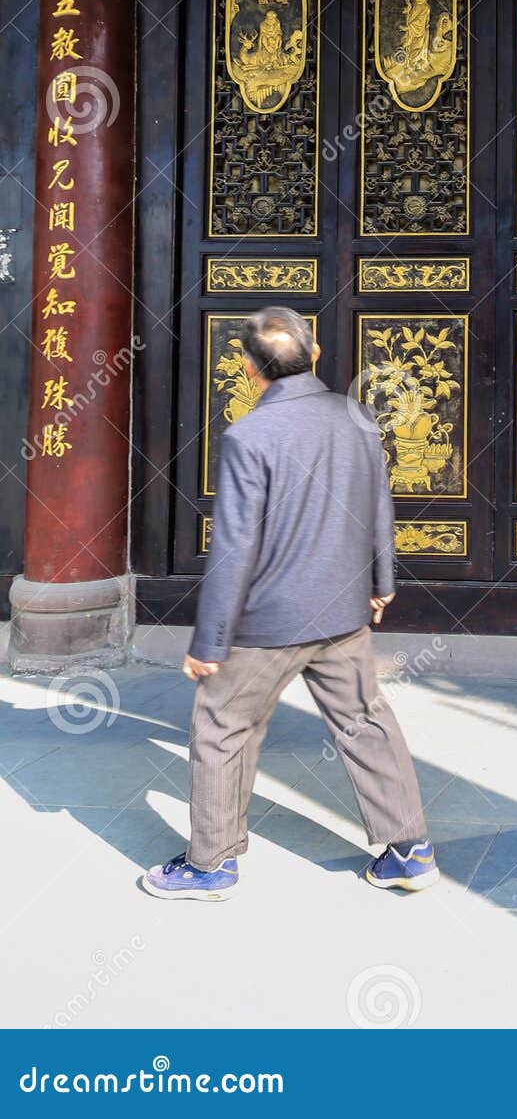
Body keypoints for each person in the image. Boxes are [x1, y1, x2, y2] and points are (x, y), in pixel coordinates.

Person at [142, 307, 436, 902]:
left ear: (250, 369)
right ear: (316, 353)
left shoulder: (249, 435)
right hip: (342, 609)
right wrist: (382, 582)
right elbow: (381, 504)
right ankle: (409, 851)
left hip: (266, 621)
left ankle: (210, 865)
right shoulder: (355, 416)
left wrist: (208, 641)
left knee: (222, 726)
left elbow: (235, 546)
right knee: (365, 721)